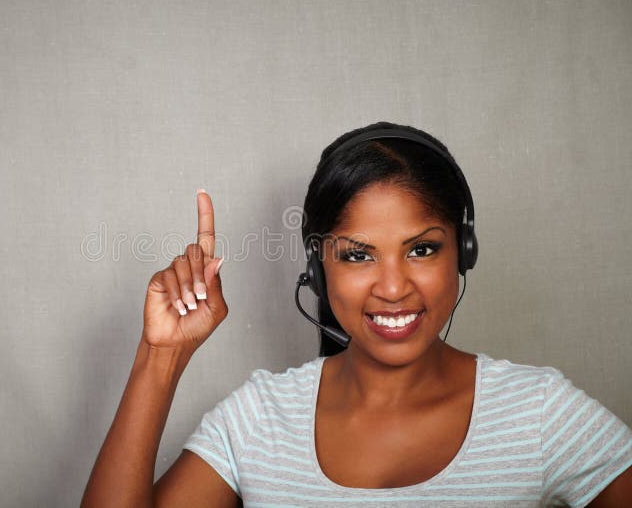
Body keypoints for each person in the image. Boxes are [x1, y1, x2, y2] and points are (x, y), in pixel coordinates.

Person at [81, 122, 632, 507]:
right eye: (358, 255)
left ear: (463, 252)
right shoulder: (257, 420)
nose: (393, 287)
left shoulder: (538, 412)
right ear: (319, 269)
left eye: (422, 249)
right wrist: (162, 354)